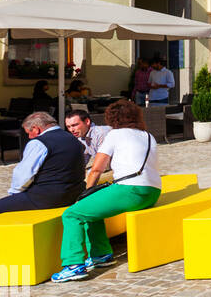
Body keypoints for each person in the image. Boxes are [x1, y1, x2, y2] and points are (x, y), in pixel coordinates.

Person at [52, 99, 162, 282]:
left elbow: (97, 169)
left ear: (112, 118)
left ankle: (73, 265)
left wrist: (84, 194)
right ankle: (100, 254)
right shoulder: (148, 135)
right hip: (151, 191)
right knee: (91, 210)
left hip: (130, 190)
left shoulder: (115, 134)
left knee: (73, 214)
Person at [0, 112, 85, 218]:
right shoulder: (73, 139)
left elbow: (23, 175)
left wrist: (14, 195)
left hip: (48, 198)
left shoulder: (38, 143)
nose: (29, 137)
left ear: (36, 129)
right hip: (74, 193)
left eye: (29, 133)